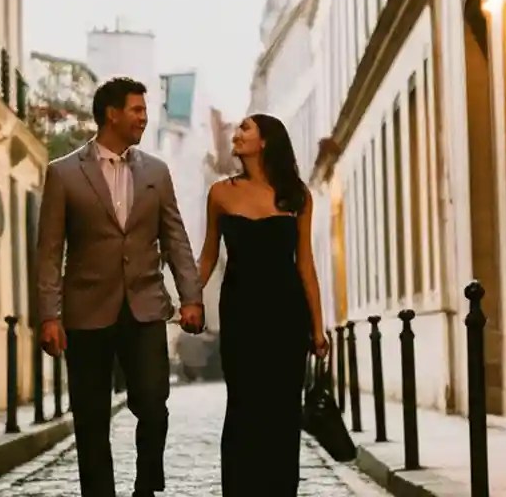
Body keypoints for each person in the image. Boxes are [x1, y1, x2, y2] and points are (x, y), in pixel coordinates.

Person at [35, 76, 205, 497]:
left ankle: (146, 487)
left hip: (145, 307)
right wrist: (49, 316)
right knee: (91, 418)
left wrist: (191, 298)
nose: (144, 118)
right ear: (111, 114)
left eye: (145, 111)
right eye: (137, 110)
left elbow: (176, 238)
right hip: (86, 312)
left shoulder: (156, 173)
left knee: (153, 404)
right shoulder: (63, 175)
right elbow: (49, 252)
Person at [196, 113, 329, 496]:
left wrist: (317, 328)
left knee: (283, 411)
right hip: (240, 311)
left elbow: (305, 264)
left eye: (244, 129)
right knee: (242, 406)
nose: (236, 135)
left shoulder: (297, 195)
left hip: (286, 314)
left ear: (266, 140)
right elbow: (208, 257)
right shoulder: (220, 193)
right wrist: (188, 299)